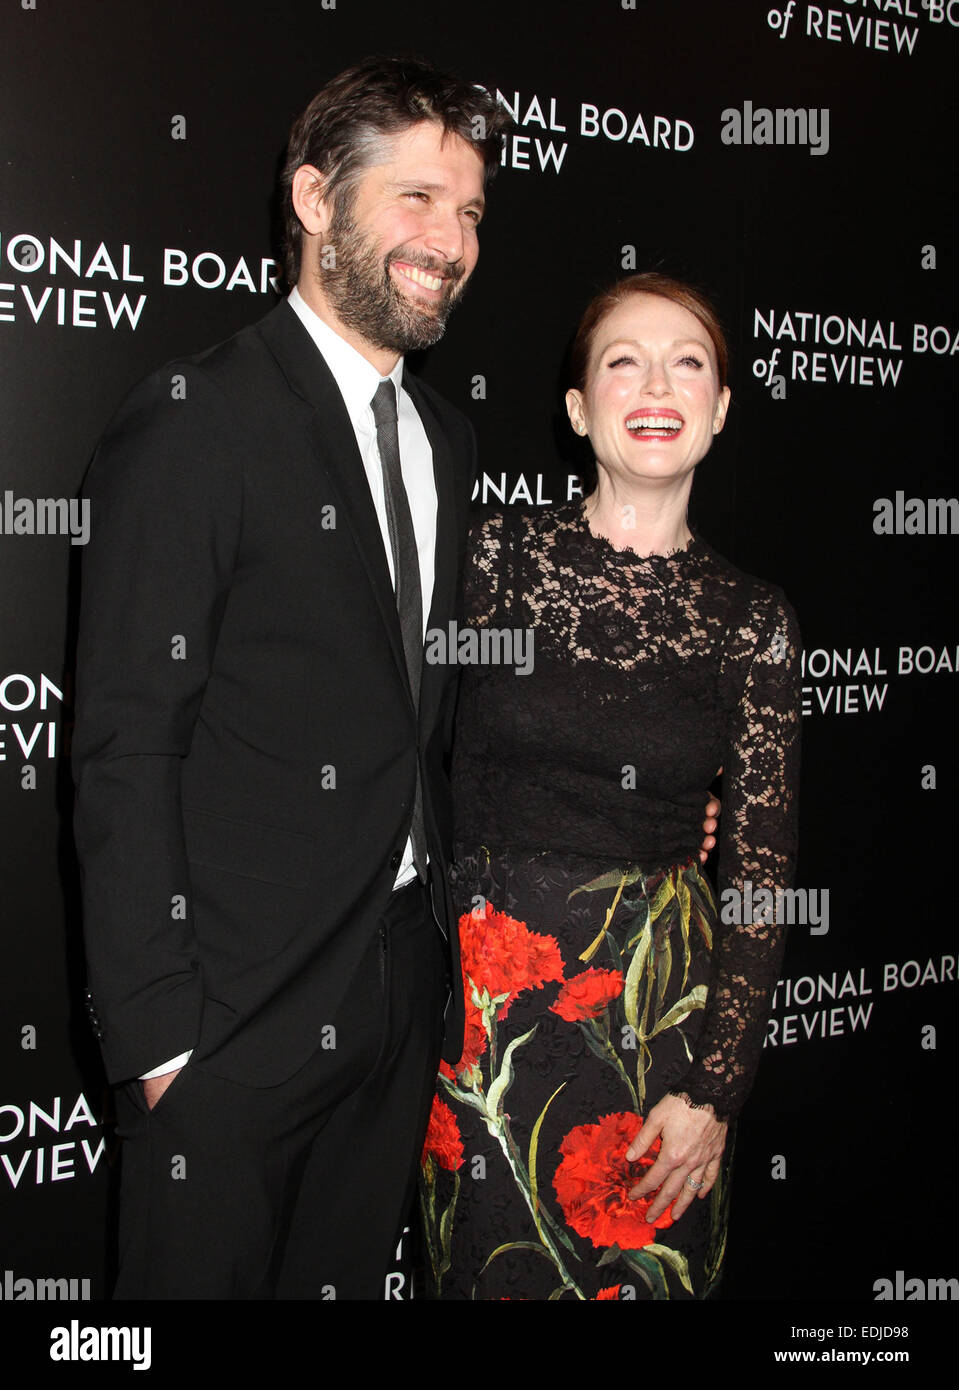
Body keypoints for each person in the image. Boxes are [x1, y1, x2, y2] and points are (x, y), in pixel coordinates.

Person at [71, 56, 509, 1300]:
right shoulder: (196, 416)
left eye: (470, 210)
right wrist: (160, 1037)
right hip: (231, 1019)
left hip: (392, 994)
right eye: (418, 199)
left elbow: (413, 713)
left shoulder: (446, 438)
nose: (451, 240)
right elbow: (124, 742)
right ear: (315, 200)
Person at [419, 273, 801, 1301]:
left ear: (718, 411)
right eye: (620, 360)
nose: (655, 384)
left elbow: (762, 875)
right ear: (578, 408)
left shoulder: (750, 618)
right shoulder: (491, 559)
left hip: (658, 1019)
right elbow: (396, 752)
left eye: (687, 363)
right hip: (488, 1013)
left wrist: (716, 1091)